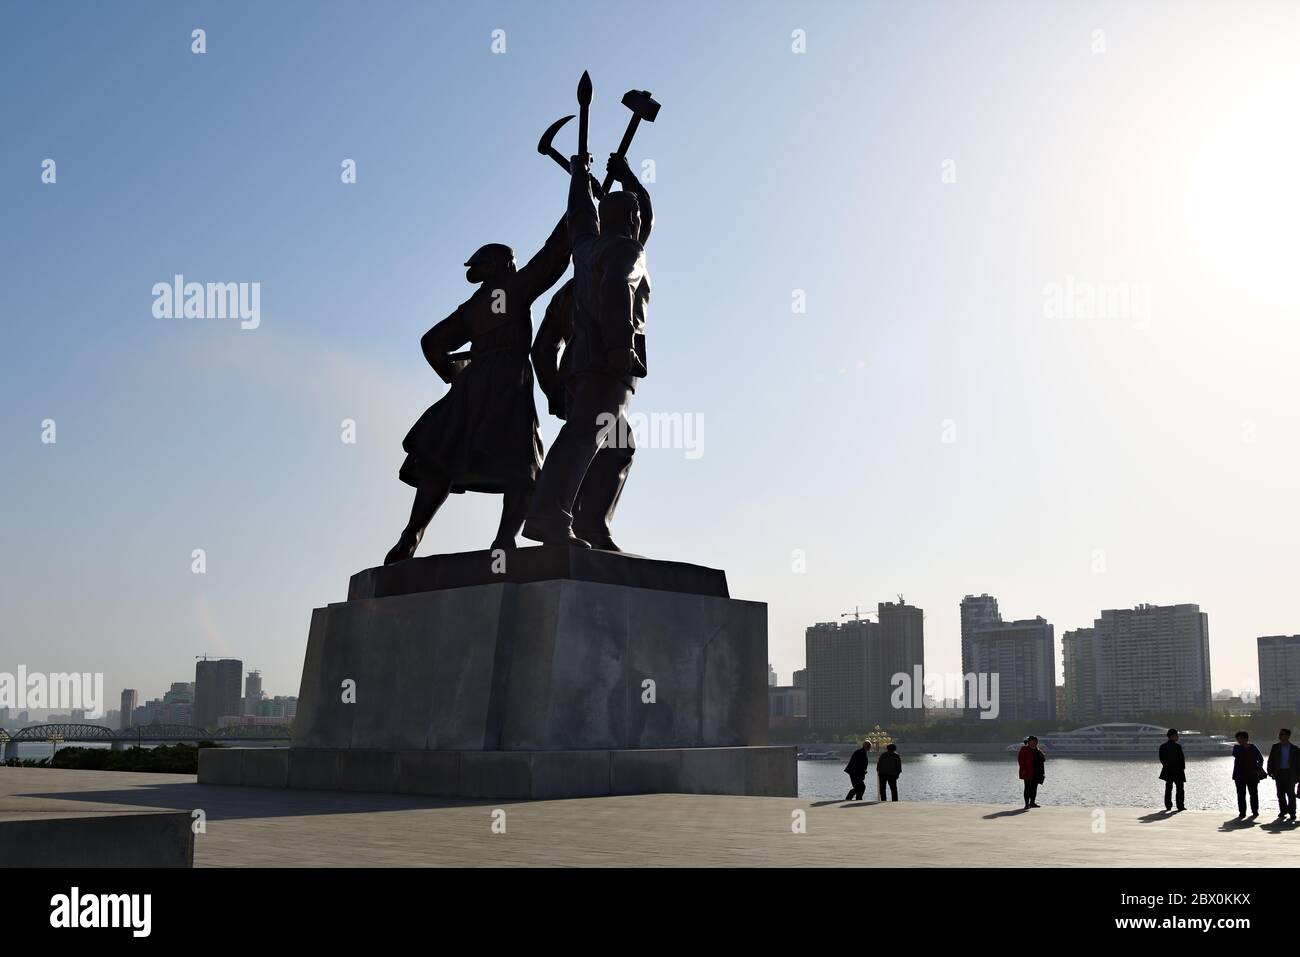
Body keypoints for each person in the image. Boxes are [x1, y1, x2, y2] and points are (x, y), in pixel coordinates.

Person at [384, 213, 571, 562]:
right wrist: (577, 207)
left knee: (442, 460)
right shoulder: (513, 290)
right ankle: (504, 542)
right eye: (511, 262)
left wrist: (458, 373)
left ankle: (411, 536)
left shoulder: (471, 308)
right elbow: (555, 252)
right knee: (522, 467)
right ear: (502, 265)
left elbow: (432, 343)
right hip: (508, 383)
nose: (515, 266)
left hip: (471, 386)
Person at [522, 152, 652, 551]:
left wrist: (580, 173)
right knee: (585, 435)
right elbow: (617, 288)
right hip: (608, 362)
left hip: (580, 366)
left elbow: (579, 211)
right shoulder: (626, 252)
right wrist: (620, 346)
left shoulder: (586, 247)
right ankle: (549, 516)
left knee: (617, 445)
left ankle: (591, 524)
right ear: (631, 222)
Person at [1266, 728, 1298, 821]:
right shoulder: (1275, 747)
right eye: (1279, 734)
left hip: (1290, 773)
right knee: (1280, 794)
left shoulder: (1294, 749)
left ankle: (1292, 812)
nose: (1280, 736)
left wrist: (1298, 776)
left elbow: (1298, 763)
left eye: (1282, 734)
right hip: (1279, 773)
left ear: (1288, 736)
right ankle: (1283, 811)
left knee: (1291, 794)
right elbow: (1271, 760)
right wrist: (1270, 771)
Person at [1232, 730, 1265, 819]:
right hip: (1239, 775)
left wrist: (1257, 768)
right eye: (1237, 739)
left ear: (1246, 739)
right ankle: (1242, 812)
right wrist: (1244, 747)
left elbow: (1261, 759)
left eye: (1241, 738)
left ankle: (1255, 811)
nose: (1239, 740)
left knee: (1254, 794)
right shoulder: (1236, 748)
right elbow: (1236, 755)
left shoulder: (1253, 747)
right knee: (1241, 794)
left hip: (1252, 774)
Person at [1159, 728, 1186, 812]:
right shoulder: (1178, 746)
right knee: (1180, 789)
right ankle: (1180, 806)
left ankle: (1168, 806)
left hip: (1168, 770)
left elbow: (1161, 759)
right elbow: (1182, 759)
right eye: (1176, 735)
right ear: (1172, 736)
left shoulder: (1163, 746)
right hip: (1178, 770)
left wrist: (1166, 766)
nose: (1178, 737)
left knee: (1168, 788)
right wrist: (1182, 768)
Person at [1018, 736, 1044, 808]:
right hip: (1027, 772)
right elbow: (1020, 760)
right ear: (1029, 742)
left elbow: (1042, 759)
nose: (1035, 742)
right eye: (1033, 741)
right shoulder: (1024, 749)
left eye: (1036, 741)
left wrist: (1042, 756)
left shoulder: (1038, 750)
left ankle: (1032, 802)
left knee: (1034, 788)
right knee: (1027, 788)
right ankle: (1026, 804)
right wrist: (1023, 769)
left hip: (1037, 772)